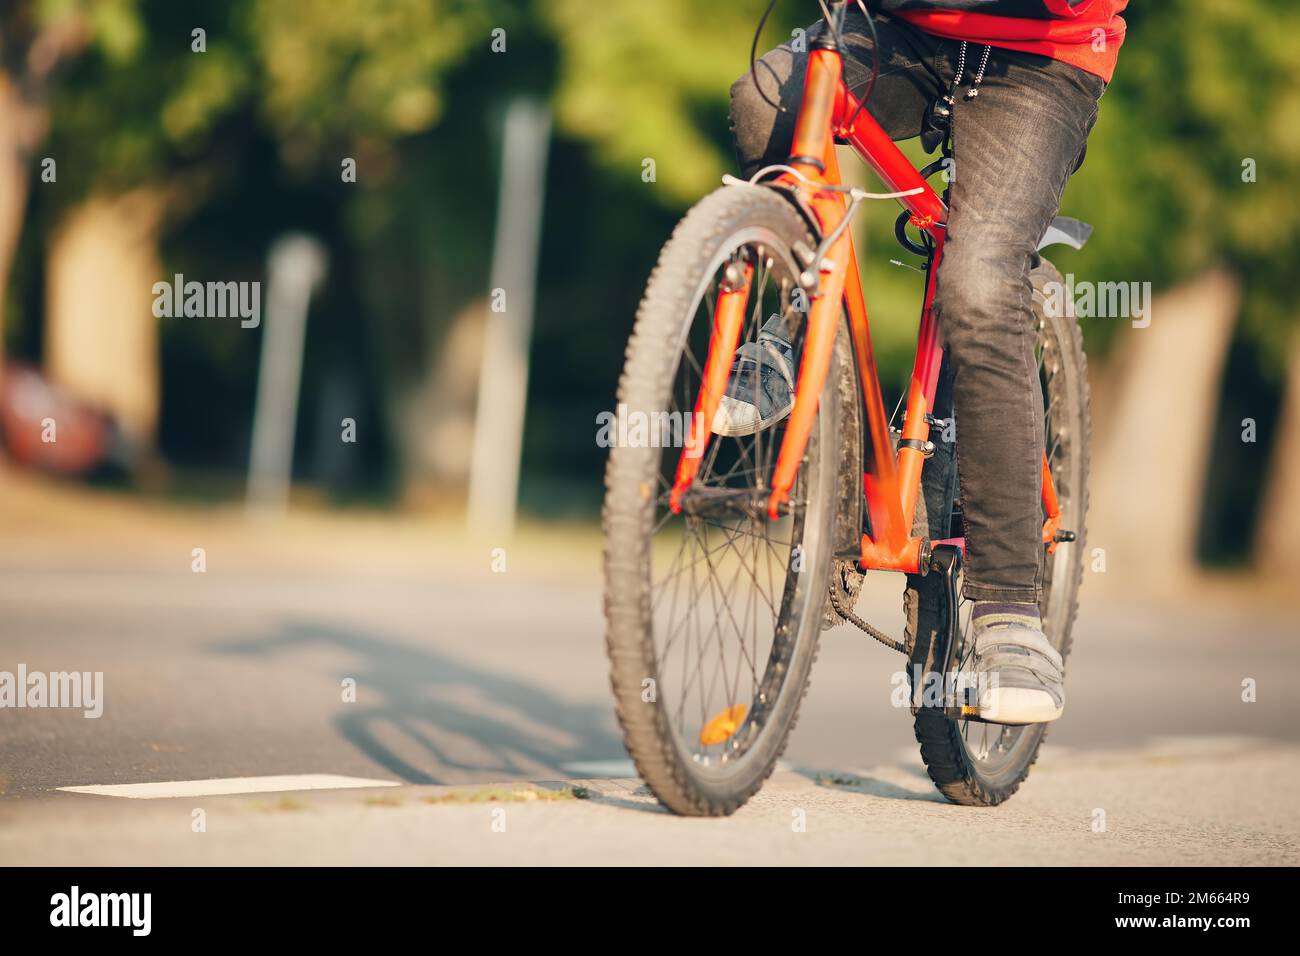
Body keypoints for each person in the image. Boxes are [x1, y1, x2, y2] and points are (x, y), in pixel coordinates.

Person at [717, 0, 1128, 724]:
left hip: (1039, 56)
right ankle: (797, 322)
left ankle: (1009, 611)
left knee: (979, 283)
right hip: (901, 32)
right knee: (764, 98)